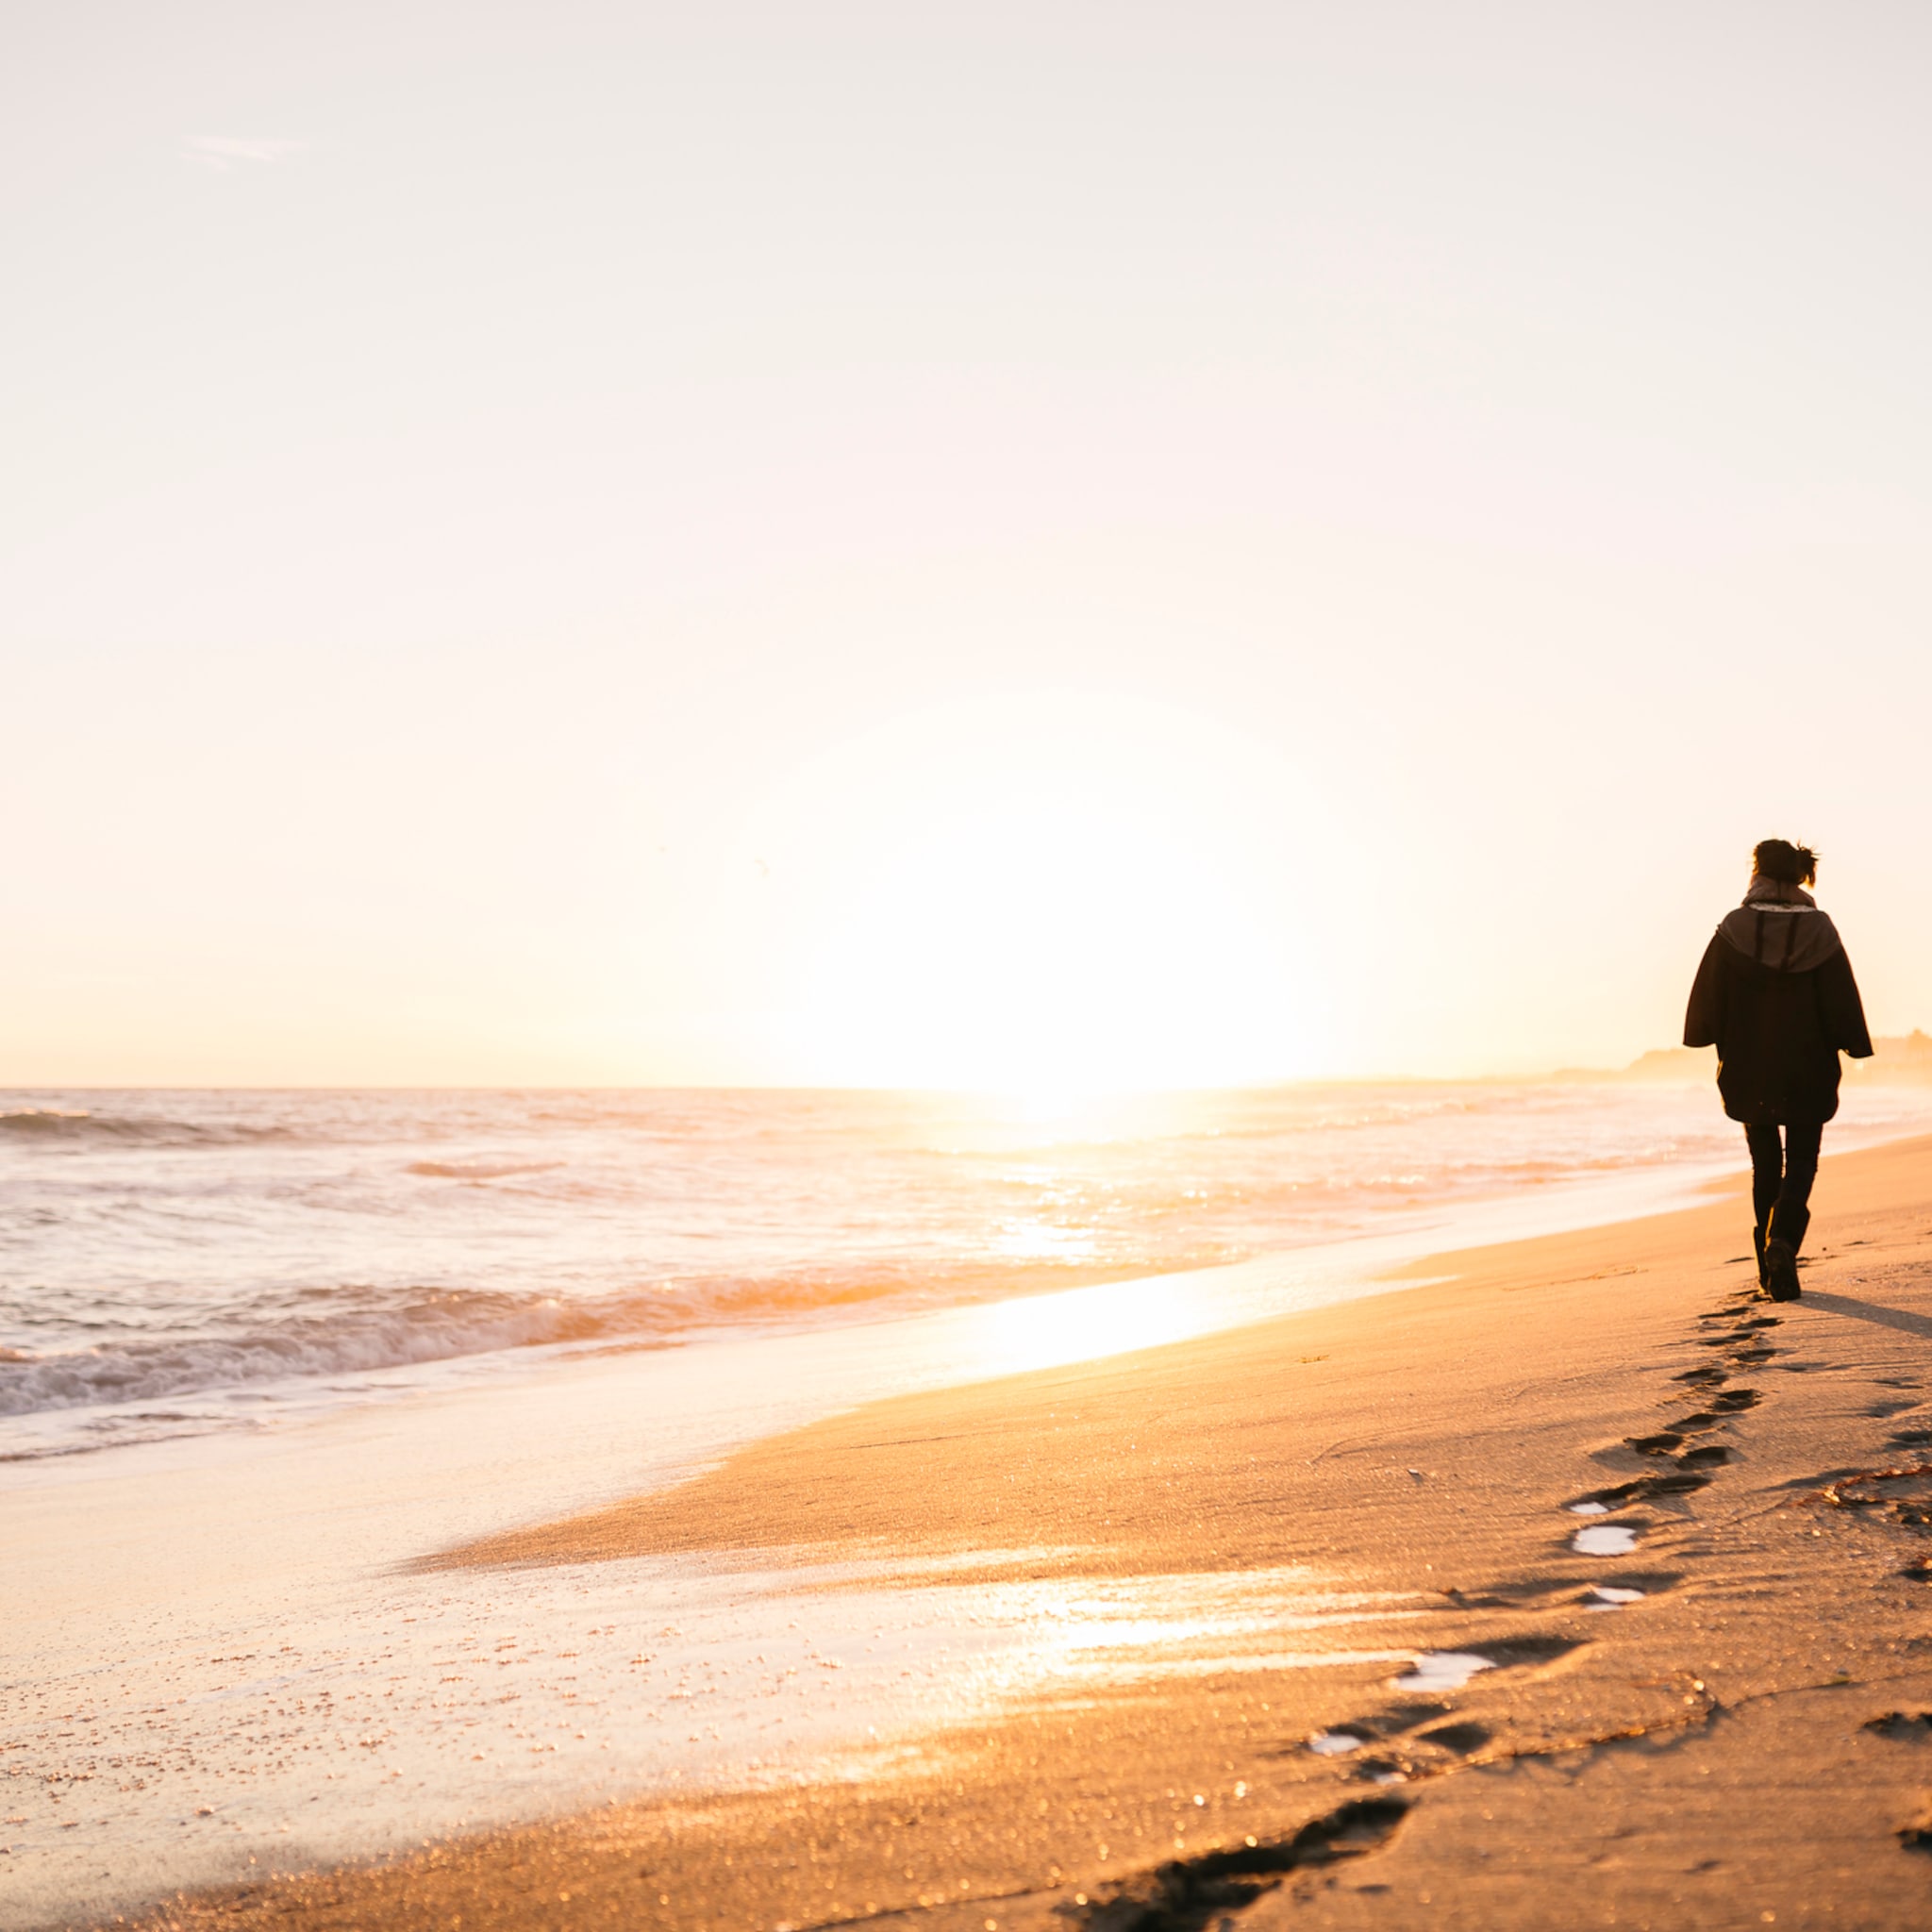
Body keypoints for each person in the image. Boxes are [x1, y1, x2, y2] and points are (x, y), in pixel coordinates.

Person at [1684, 839, 1872, 1302]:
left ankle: (1766, 1269)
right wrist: (1853, 1042)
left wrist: (1705, 1033)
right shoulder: (1821, 930)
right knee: (1802, 1159)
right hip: (1809, 1063)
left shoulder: (1733, 928)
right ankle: (1782, 1242)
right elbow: (1841, 996)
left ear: (1758, 873)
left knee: (1765, 1162)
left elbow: (1708, 996)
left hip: (1750, 1064)